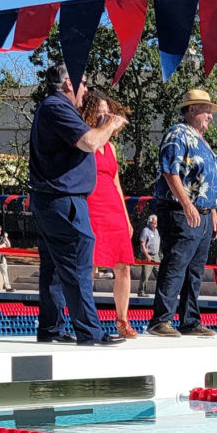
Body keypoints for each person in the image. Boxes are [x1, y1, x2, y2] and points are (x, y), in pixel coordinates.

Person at [29, 63, 124, 344]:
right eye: (83, 83)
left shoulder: (54, 108)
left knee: (55, 268)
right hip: (64, 199)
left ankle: (51, 329)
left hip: (54, 198)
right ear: (69, 83)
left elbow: (82, 139)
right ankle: (90, 331)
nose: (86, 90)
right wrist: (109, 125)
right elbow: (89, 143)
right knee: (78, 263)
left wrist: (100, 125)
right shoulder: (57, 107)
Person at [149, 87, 217, 338]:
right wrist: (186, 204)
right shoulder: (178, 134)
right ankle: (161, 320)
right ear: (192, 110)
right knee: (176, 263)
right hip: (181, 211)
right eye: (206, 111)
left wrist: (212, 211)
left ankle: (190, 319)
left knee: (194, 270)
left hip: (201, 213)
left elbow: (206, 181)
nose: (210, 117)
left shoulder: (202, 142)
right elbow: (171, 171)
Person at [81, 91, 140, 339]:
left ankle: (122, 319)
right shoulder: (85, 138)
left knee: (123, 265)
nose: (104, 114)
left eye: (107, 110)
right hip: (92, 204)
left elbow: (117, 183)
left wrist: (126, 218)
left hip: (113, 206)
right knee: (89, 264)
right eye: (100, 110)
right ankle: (84, 318)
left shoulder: (111, 147)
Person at [137, 213, 160, 297]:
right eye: (154, 223)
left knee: (160, 274)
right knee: (145, 274)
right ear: (149, 223)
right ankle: (141, 291)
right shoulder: (145, 231)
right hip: (148, 255)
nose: (155, 224)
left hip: (156, 256)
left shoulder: (156, 231)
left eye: (156, 223)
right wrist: (147, 256)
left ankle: (161, 291)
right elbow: (142, 244)